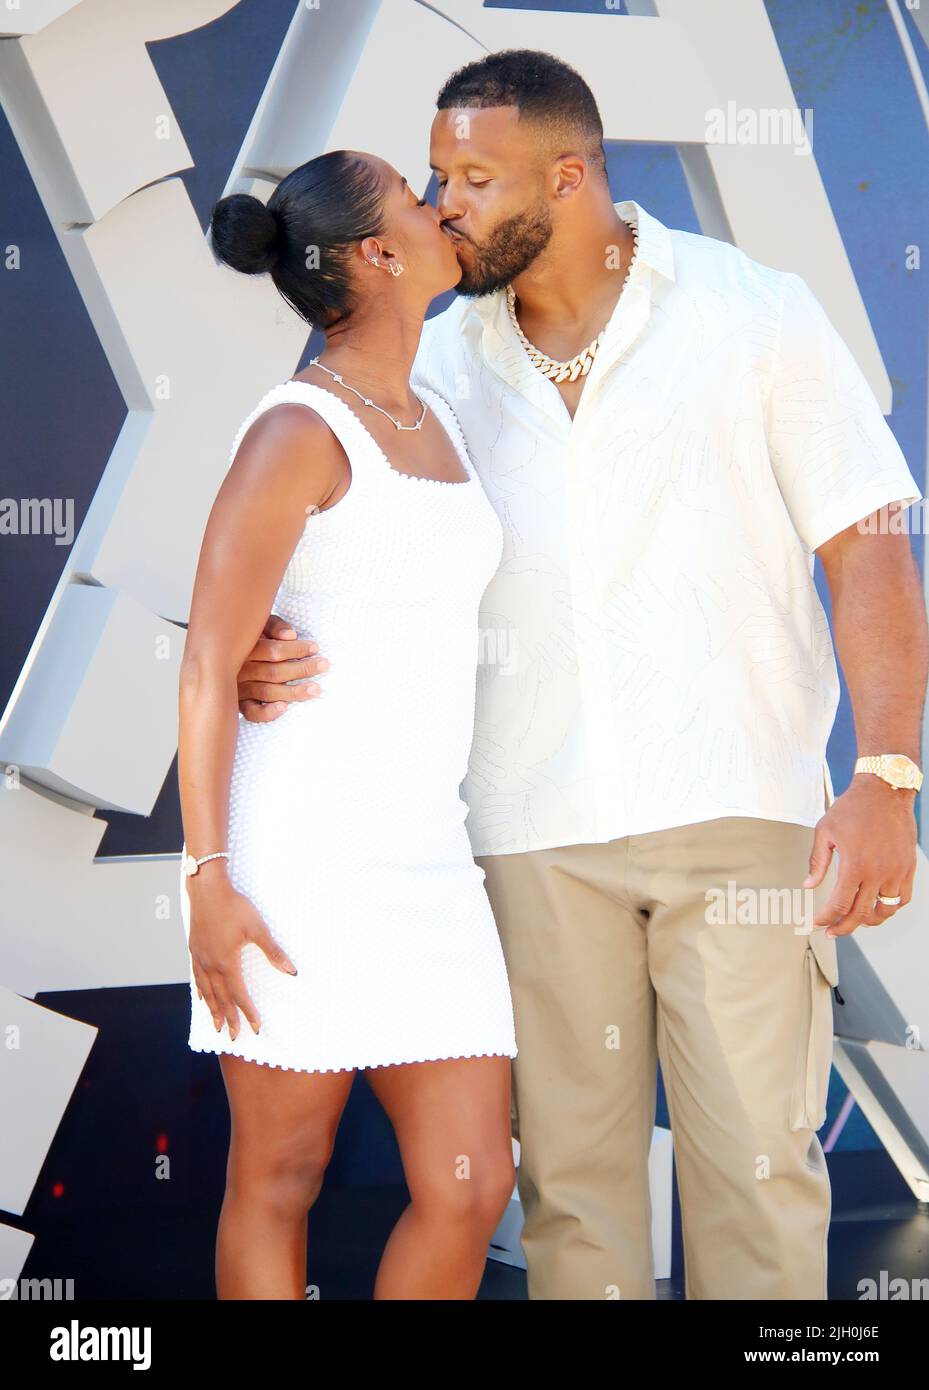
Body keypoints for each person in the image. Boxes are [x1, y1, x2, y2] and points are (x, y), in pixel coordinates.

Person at [235, 51, 927, 1300]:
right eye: (434, 175)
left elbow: (868, 549)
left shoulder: (753, 311)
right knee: (572, 1200)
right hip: (525, 838)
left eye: (473, 177)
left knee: (761, 1183)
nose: (442, 203)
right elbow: (342, 550)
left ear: (568, 178)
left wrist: (885, 773)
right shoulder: (432, 371)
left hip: (737, 819)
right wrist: (265, 650)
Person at [177, 147, 519, 1300]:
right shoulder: (295, 430)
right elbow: (207, 662)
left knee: (471, 1182)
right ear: (378, 254)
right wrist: (207, 878)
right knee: (279, 1175)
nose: (441, 210)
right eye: (420, 201)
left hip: (429, 857)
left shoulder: (442, 416)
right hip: (294, 859)